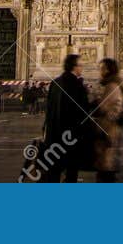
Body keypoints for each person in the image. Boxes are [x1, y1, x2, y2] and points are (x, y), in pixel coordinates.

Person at [42, 54, 91, 182]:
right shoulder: (77, 85)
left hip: (54, 134)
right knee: (71, 171)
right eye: (80, 65)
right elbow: (83, 112)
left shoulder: (55, 83)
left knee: (54, 170)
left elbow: (49, 108)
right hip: (71, 136)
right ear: (74, 67)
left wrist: (46, 129)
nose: (82, 68)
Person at [91, 58, 123, 183]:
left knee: (106, 170)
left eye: (103, 68)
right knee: (105, 170)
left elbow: (112, 108)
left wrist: (101, 112)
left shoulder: (111, 86)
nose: (100, 70)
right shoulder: (108, 85)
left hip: (108, 133)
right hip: (106, 132)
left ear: (109, 70)